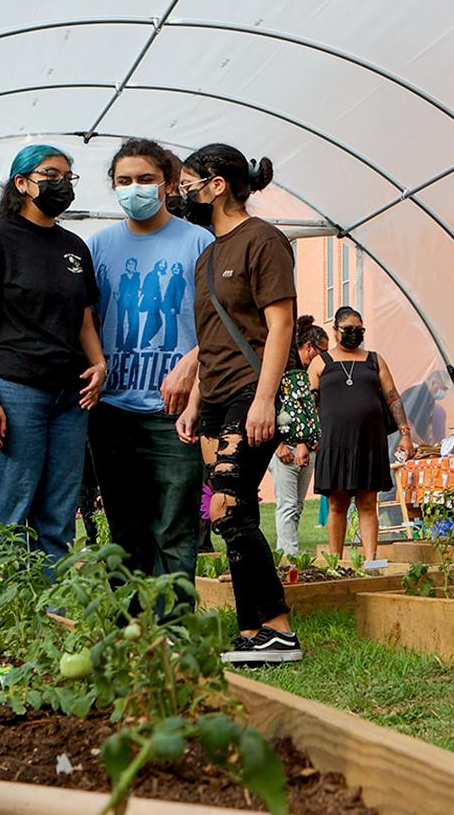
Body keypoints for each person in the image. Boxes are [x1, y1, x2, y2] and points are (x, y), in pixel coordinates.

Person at [175, 145, 301, 663]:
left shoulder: (263, 240)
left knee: (227, 504)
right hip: (217, 396)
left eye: (188, 183)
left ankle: (279, 627)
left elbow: (281, 325)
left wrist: (265, 399)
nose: (181, 194)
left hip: (254, 392)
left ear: (217, 184)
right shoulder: (207, 255)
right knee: (231, 509)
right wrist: (193, 401)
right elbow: (212, 338)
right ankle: (253, 632)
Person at [0, 145, 107, 566]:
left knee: (59, 514)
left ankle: (53, 615)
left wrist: (99, 364)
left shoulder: (74, 247)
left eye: (68, 176)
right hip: (16, 389)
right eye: (51, 174)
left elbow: (83, 321)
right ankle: (9, 619)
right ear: (22, 183)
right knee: (11, 512)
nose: (61, 184)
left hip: (71, 396)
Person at [85, 138, 210, 580]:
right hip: (111, 412)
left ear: (169, 184)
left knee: (175, 530)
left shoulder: (199, 242)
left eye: (145, 179)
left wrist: (192, 372)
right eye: (124, 181)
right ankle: (131, 634)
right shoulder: (96, 246)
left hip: (172, 414)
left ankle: (174, 634)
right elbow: (84, 324)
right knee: (124, 532)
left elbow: (217, 325)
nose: (133, 188)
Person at [311, 305, 413, 566]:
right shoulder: (321, 362)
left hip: (369, 443)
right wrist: (306, 438)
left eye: (359, 330)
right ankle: (334, 562)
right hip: (334, 443)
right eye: (348, 330)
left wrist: (405, 433)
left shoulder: (375, 360)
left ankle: (371, 561)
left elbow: (392, 397)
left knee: (368, 502)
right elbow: (309, 402)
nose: (354, 334)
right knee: (337, 503)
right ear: (335, 331)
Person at [270, 318, 327, 560]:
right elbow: (270, 407)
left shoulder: (313, 377)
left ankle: (290, 555)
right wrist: (278, 445)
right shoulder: (282, 372)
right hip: (284, 448)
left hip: (307, 449)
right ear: (310, 348)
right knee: (287, 504)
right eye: (322, 352)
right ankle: (288, 556)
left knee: (298, 506)